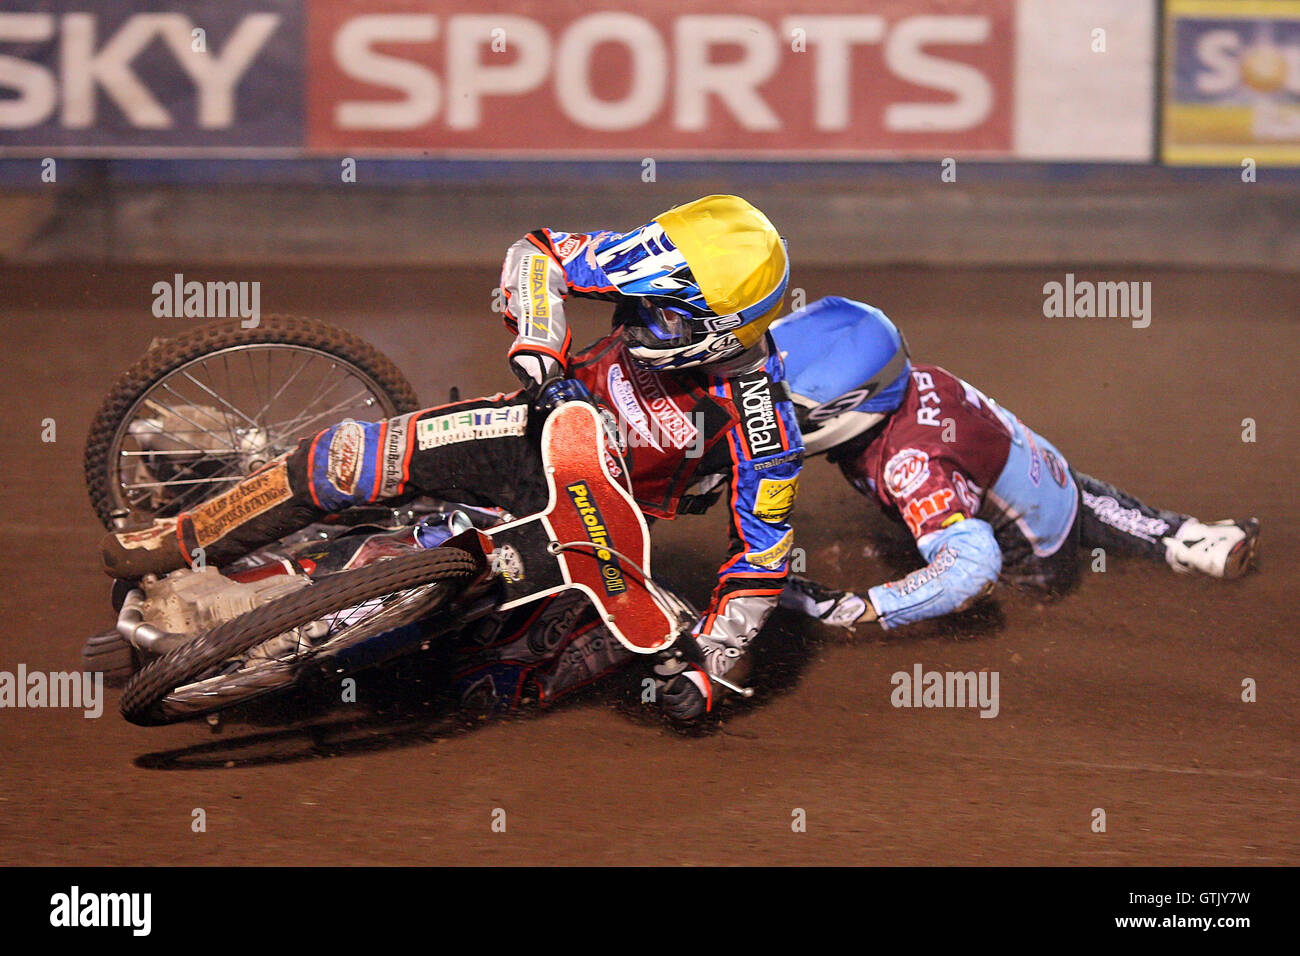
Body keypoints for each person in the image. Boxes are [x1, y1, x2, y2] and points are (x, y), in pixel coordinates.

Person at [101, 195, 804, 720]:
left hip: (596, 516)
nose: (640, 316)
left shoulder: (762, 425)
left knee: (489, 683)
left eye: (666, 316)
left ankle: (287, 647)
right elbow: (539, 254)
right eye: (643, 301)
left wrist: (718, 661)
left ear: (723, 333)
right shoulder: (656, 268)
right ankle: (178, 534)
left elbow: (762, 558)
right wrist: (540, 343)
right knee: (352, 457)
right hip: (533, 424)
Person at [770, 296, 1260, 630]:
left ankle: (1168, 547)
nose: (770, 415)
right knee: (1067, 495)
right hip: (1052, 483)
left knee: (961, 584)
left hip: (1028, 569)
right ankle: (1184, 539)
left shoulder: (911, 465)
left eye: (789, 408)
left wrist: (865, 608)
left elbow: (973, 568)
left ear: (848, 406)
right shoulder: (917, 379)